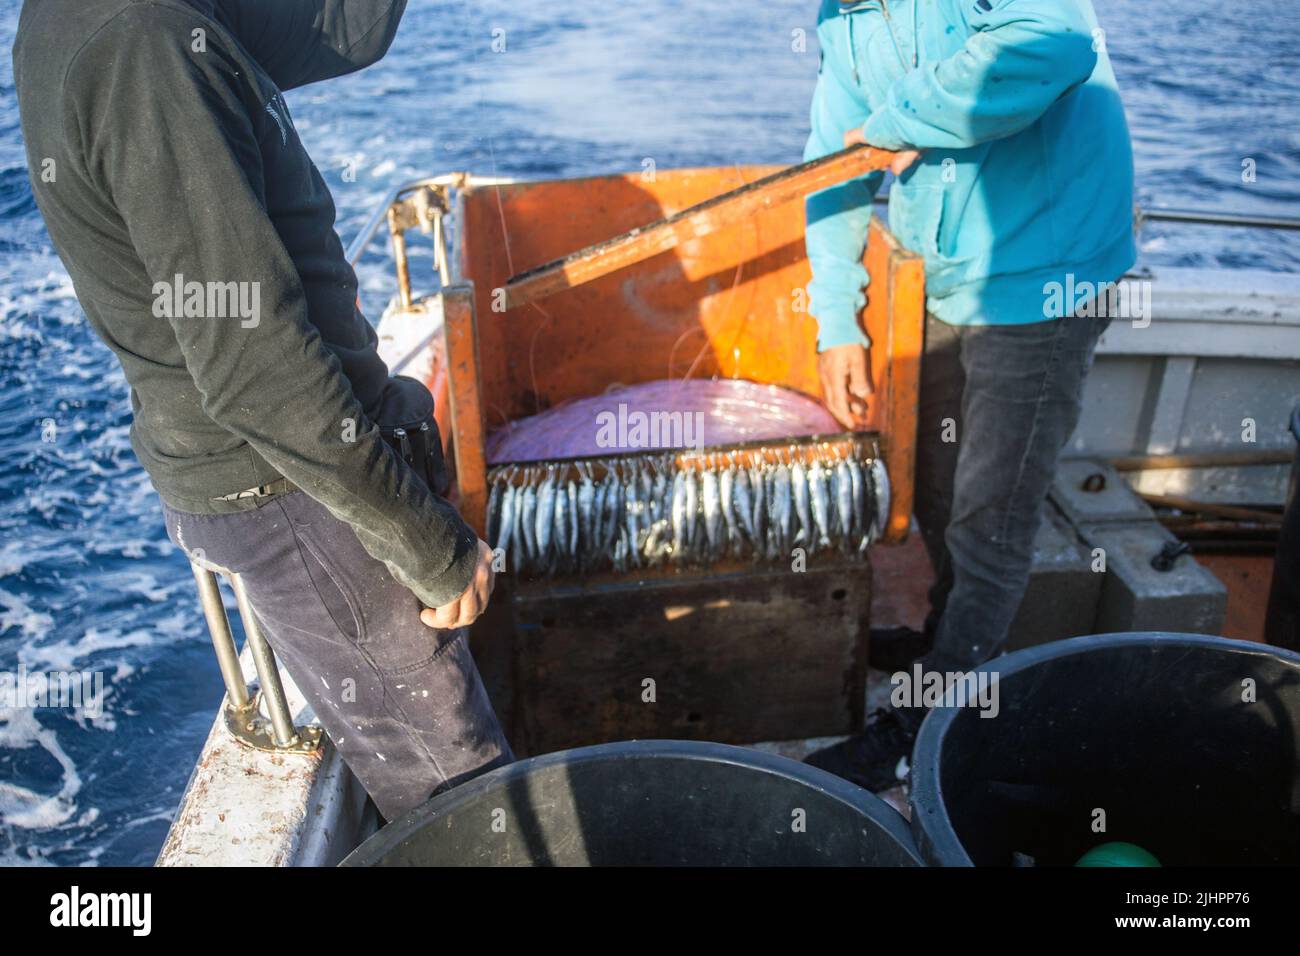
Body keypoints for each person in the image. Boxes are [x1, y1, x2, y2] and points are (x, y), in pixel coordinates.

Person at [13, 0, 512, 821]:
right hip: (297, 495)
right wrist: (428, 544)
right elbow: (257, 374)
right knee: (469, 808)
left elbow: (349, 28)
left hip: (288, 476)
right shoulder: (145, 45)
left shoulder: (118, 18)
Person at [801, 0, 1135, 790]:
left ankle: (936, 716)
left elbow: (1054, 41)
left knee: (995, 510)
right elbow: (831, 157)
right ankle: (947, 639)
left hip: (1048, 278)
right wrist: (835, 320)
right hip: (945, 277)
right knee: (938, 488)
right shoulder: (838, 16)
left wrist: (901, 120)